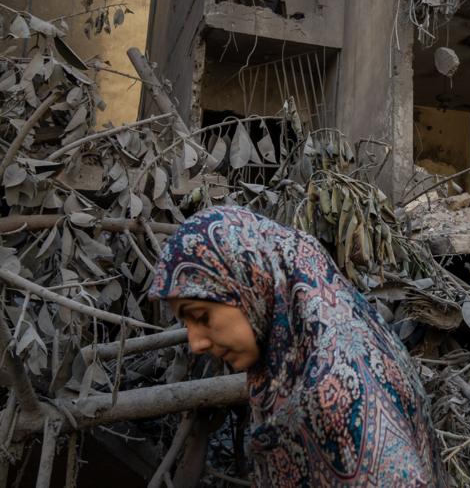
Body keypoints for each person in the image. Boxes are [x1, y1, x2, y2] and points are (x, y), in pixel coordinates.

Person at [150, 206, 444, 487]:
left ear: (253, 285)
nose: (196, 342)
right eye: (186, 324)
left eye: (202, 316)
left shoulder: (338, 396)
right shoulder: (299, 350)